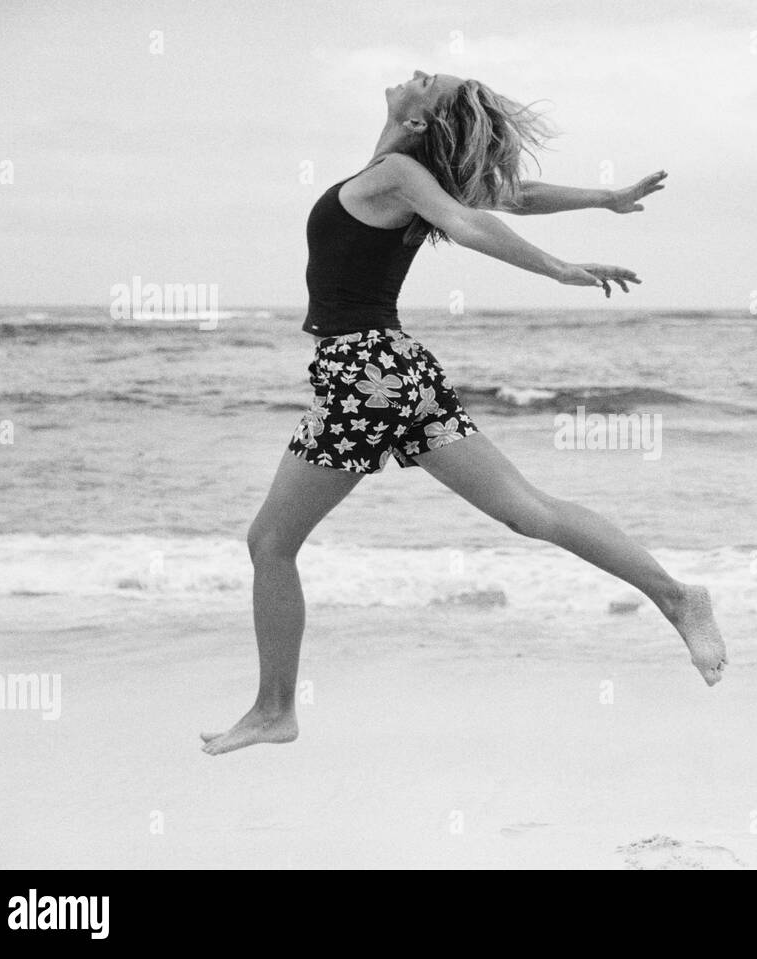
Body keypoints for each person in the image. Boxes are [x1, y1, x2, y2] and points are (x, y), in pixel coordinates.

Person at [202, 71, 726, 756]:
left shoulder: (397, 172)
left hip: (365, 375)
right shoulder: (401, 173)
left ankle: (276, 708)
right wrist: (604, 196)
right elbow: (512, 195)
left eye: (428, 82)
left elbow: (472, 219)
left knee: (270, 543)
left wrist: (560, 269)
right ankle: (678, 597)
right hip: (392, 372)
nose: (414, 75)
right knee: (527, 510)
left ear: (420, 122)